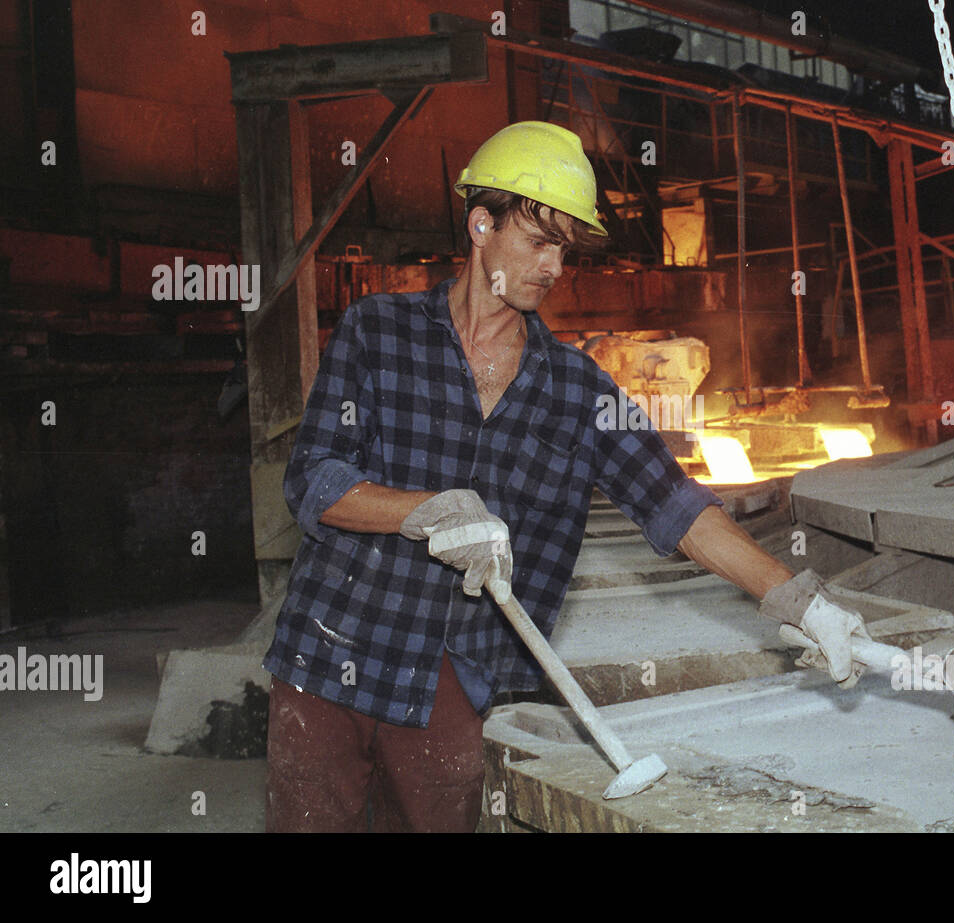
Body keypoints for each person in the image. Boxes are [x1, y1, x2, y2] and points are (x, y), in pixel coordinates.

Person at [262, 121, 874, 832]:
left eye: (564, 249)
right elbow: (312, 477)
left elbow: (676, 505)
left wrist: (801, 601)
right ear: (480, 224)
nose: (554, 265)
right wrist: (421, 510)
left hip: (446, 680)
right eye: (538, 240)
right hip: (328, 651)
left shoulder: (579, 392)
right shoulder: (377, 333)